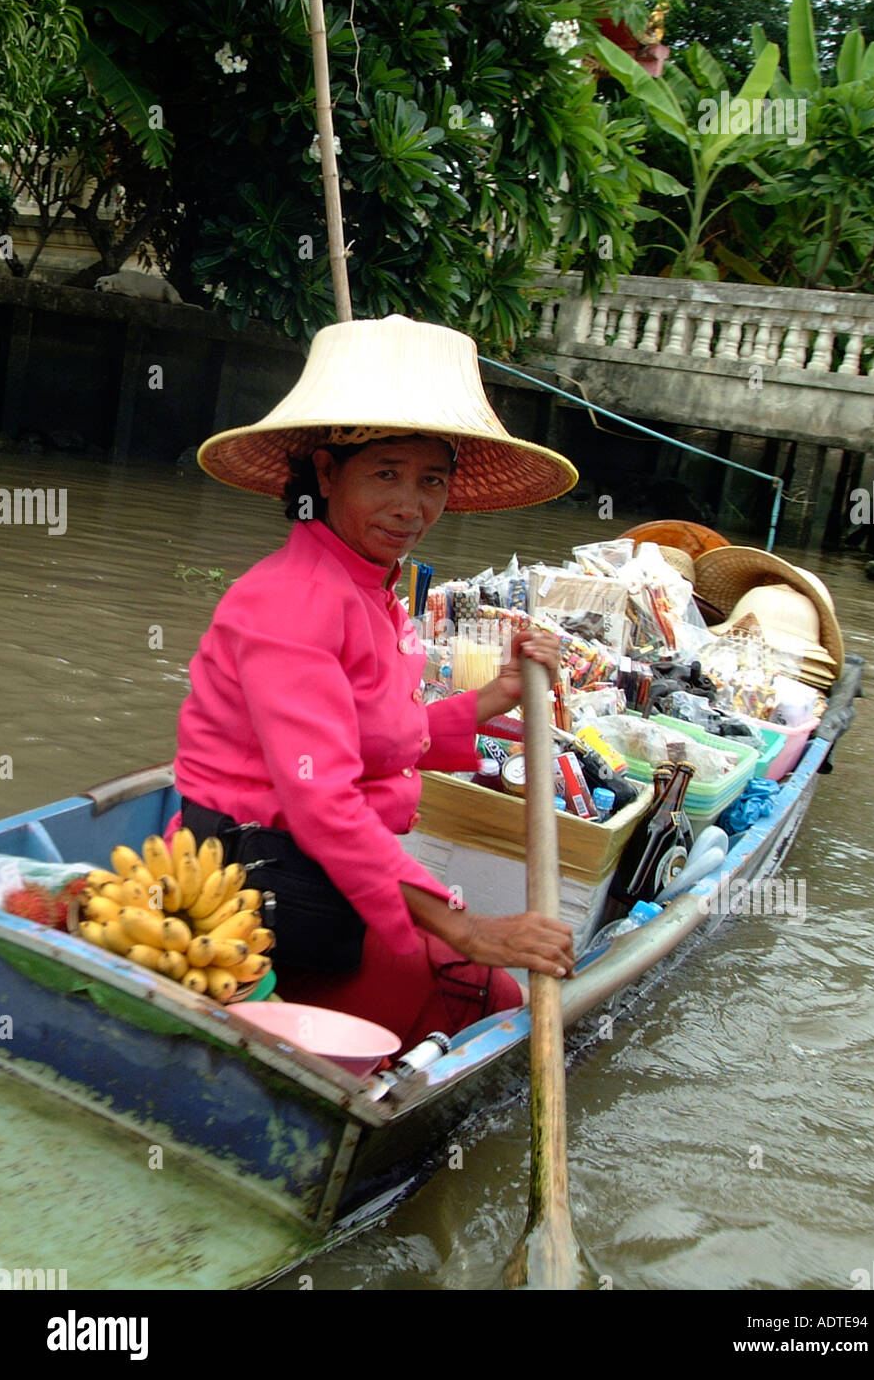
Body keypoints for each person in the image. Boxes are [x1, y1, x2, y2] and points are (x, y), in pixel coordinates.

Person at [168, 315, 580, 1049]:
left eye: (431, 482)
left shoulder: (374, 592)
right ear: (326, 474)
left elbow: (381, 738)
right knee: (485, 988)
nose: (409, 507)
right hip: (256, 887)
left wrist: (498, 694)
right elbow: (321, 795)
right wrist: (470, 927)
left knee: (490, 992)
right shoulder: (292, 599)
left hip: (329, 874)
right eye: (384, 474)